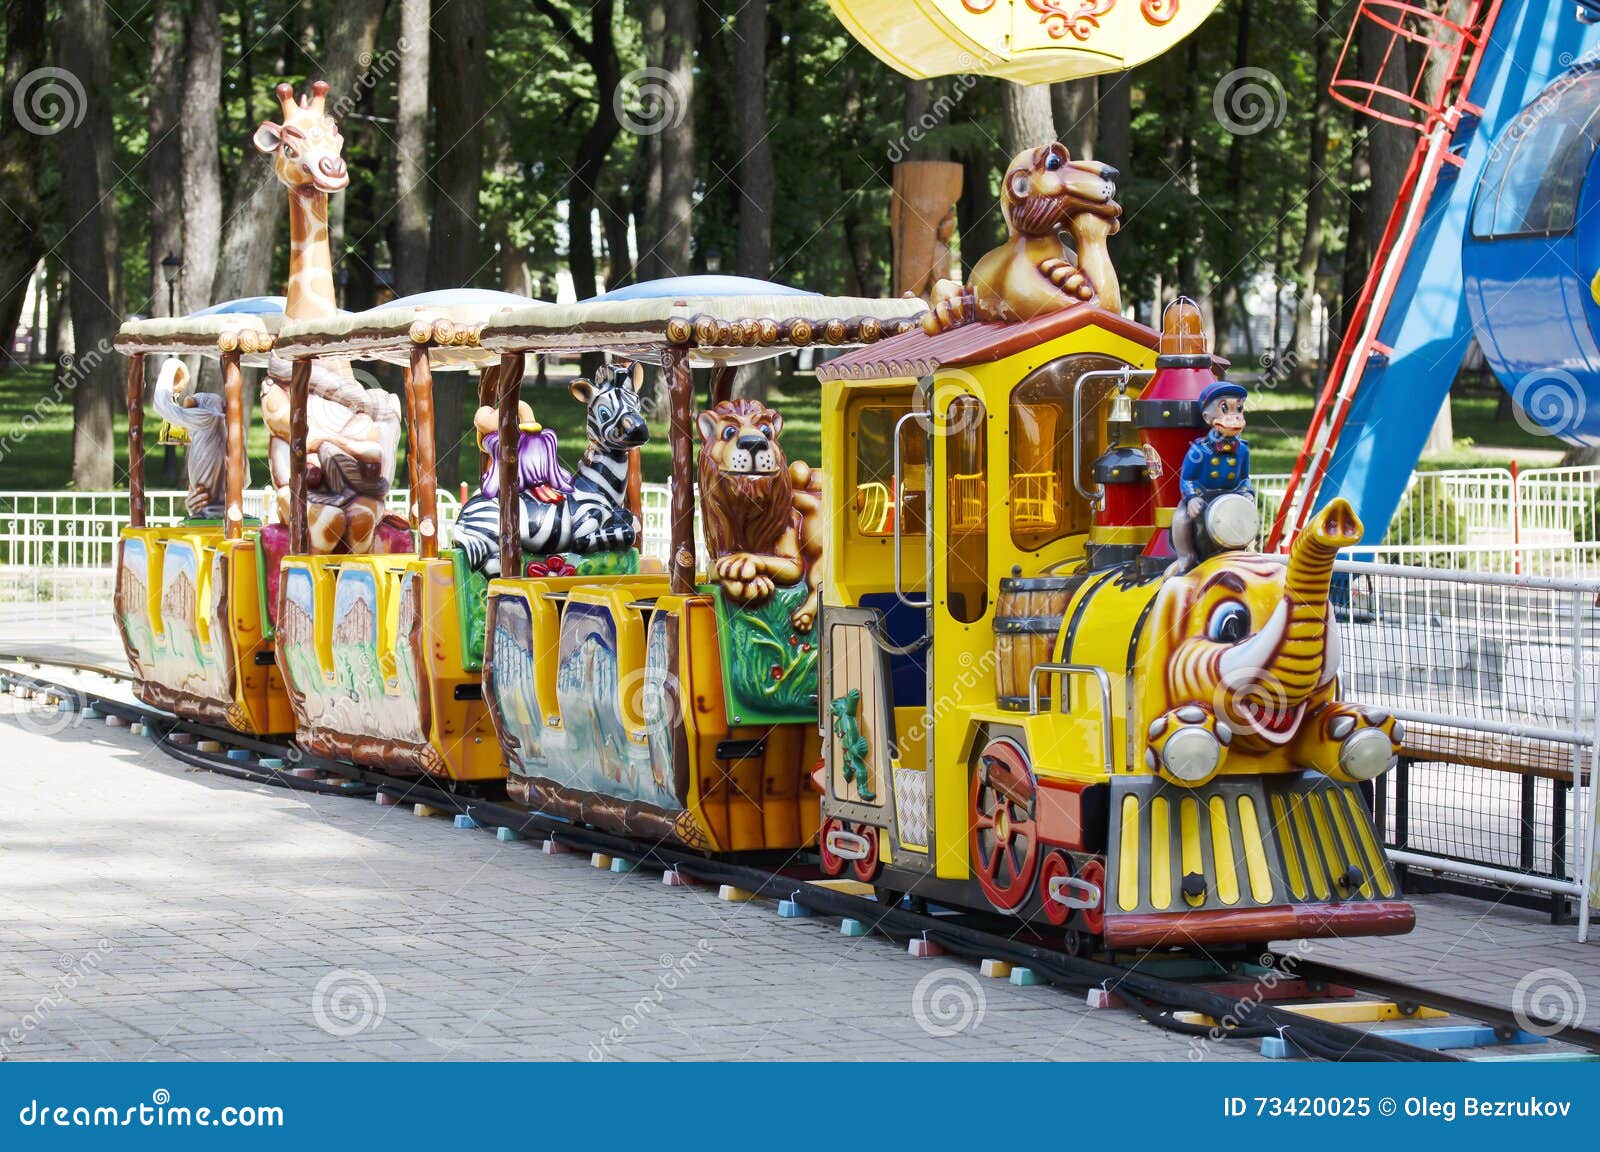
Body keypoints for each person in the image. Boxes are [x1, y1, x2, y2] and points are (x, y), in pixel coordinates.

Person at [1168, 380, 1252, 575]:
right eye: (1225, 409)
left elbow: (1244, 477)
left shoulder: (1243, 450)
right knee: (1181, 518)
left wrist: (1246, 492)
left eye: (1238, 409)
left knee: (1243, 517)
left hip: (1230, 496)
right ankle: (1186, 556)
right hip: (1204, 496)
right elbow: (1187, 478)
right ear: (1207, 417)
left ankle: (1240, 552)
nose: (1235, 417)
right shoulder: (1200, 450)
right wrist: (1191, 498)